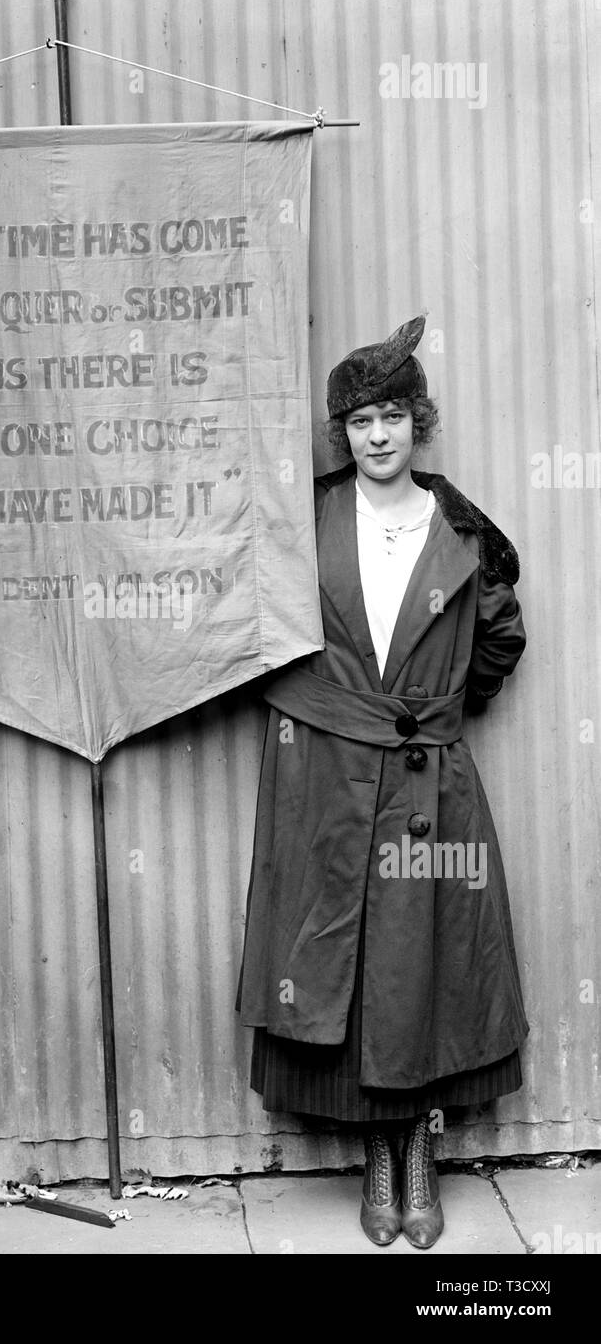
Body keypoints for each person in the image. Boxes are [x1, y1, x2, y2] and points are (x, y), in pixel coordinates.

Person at [236, 315, 528, 1249]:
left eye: (393, 417)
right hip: (326, 775)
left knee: (425, 966)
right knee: (346, 962)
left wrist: (433, 717)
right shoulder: (306, 519)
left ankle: (420, 1158)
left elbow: (497, 641)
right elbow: (255, 627)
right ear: (342, 433)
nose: (376, 437)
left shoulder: (460, 528)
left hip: (425, 784)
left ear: (417, 424)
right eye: (359, 421)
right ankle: (373, 1156)